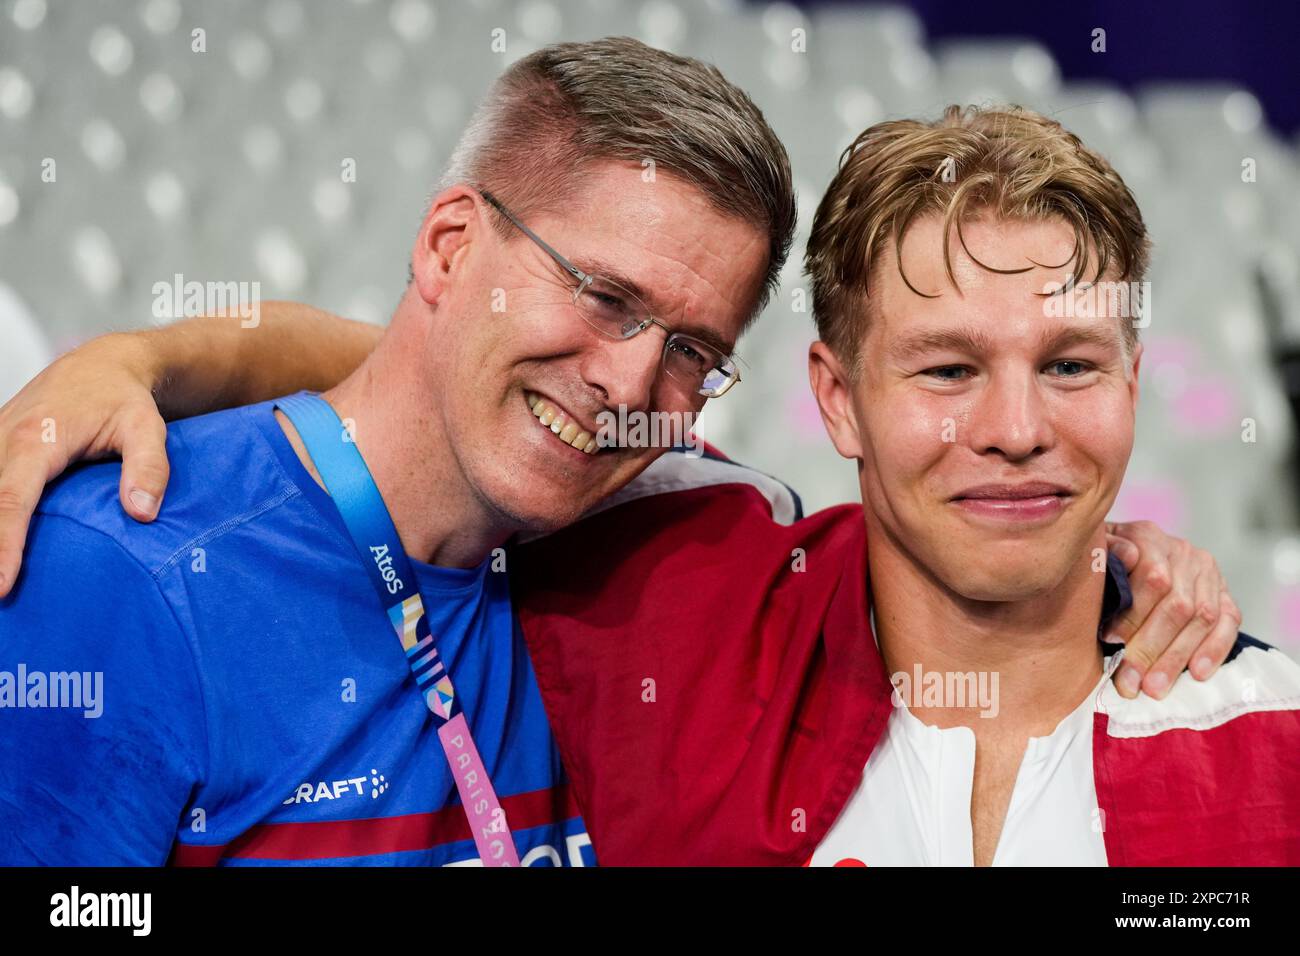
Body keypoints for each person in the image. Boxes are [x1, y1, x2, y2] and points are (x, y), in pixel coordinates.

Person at [0, 51, 1240, 863]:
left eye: (694, 346)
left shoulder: (646, 526)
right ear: (446, 248)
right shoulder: (121, 576)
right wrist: (141, 355)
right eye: (600, 293)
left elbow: (974, 508)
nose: (627, 383)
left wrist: (1113, 564)